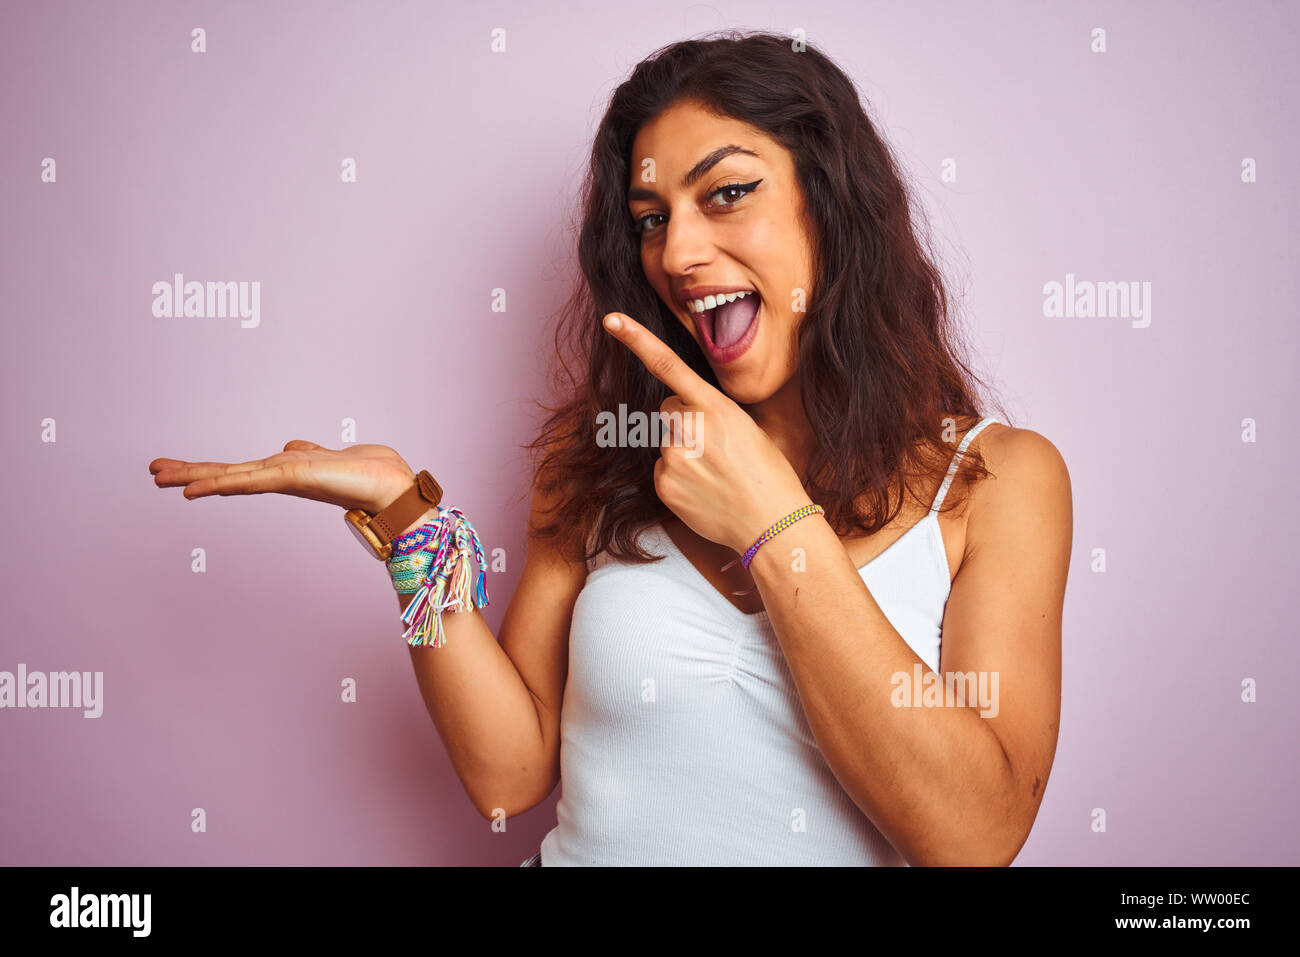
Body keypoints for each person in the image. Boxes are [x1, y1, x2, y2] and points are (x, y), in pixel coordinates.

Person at [149, 31, 1071, 866]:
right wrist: (407, 523)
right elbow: (508, 777)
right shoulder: (600, 458)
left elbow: (974, 836)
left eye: (728, 194)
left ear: (832, 208)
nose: (676, 252)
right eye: (650, 216)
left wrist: (770, 520)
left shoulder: (997, 480)